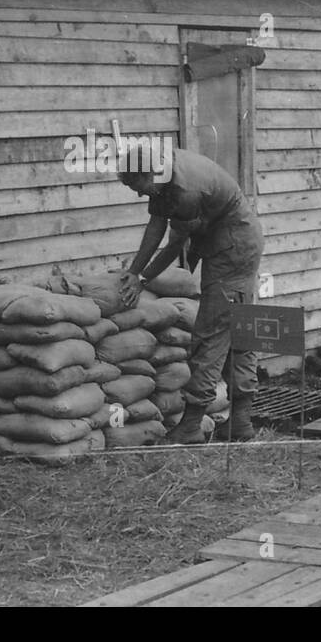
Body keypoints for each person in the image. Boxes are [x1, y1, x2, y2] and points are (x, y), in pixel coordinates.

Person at [116, 148, 265, 444]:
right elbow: (156, 224)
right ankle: (240, 423)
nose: (138, 195)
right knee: (239, 329)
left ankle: (191, 426)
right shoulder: (164, 170)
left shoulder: (184, 191)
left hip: (232, 251)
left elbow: (172, 244)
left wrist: (142, 277)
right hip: (235, 243)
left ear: (150, 176)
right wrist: (134, 271)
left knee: (212, 333)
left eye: (138, 187)